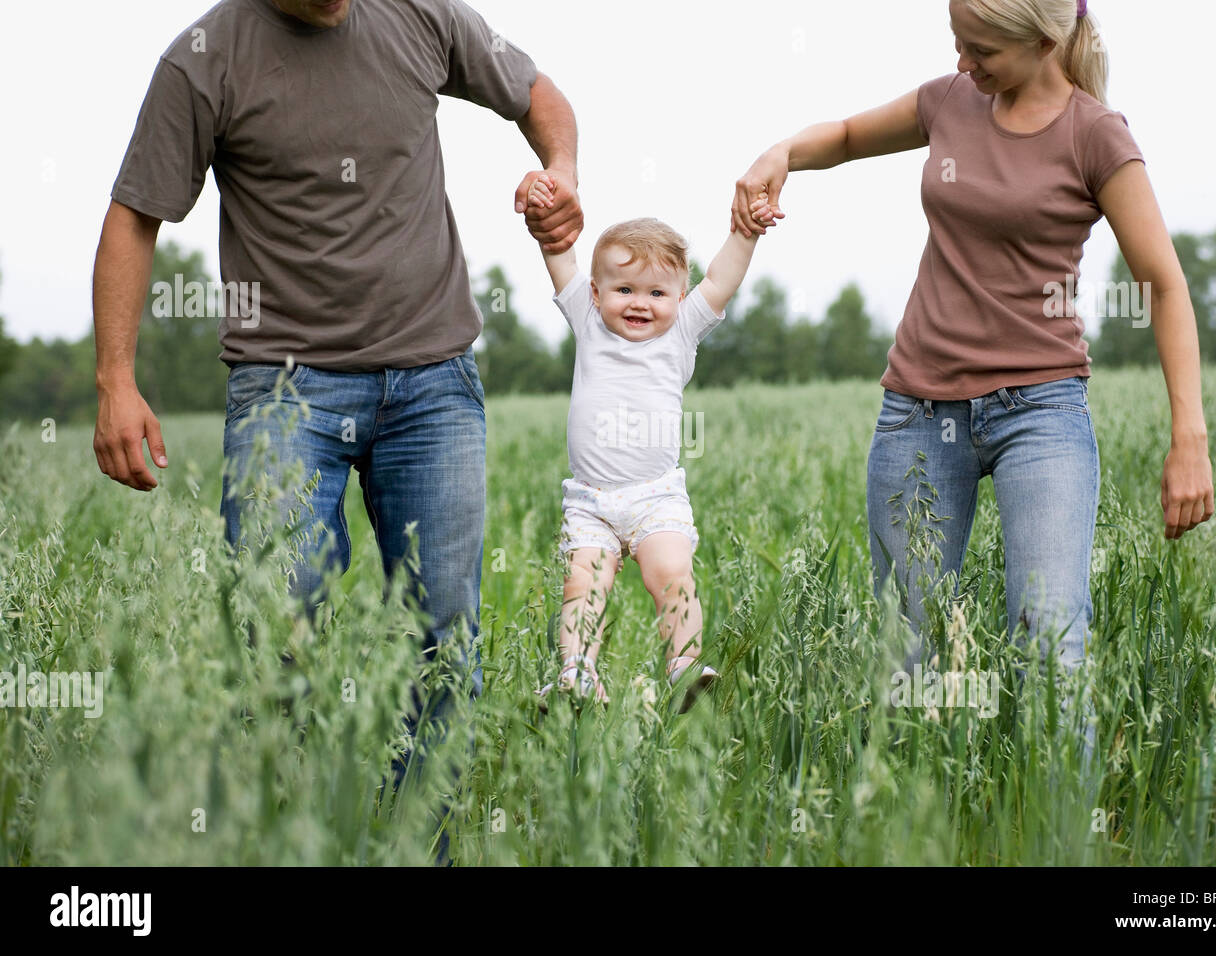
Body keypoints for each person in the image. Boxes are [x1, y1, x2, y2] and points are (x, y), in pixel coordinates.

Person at [90, 0, 584, 842]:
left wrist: (562, 170)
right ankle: (297, 835)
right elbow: (136, 214)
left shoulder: (422, 14)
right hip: (287, 390)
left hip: (434, 383)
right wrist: (115, 380)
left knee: (441, 630)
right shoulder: (202, 58)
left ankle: (415, 844)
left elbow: (537, 93)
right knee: (276, 630)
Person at [732, 0, 1214, 757]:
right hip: (918, 411)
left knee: (1051, 640)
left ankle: (1059, 835)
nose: (963, 63)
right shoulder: (953, 101)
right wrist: (782, 152)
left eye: (981, 48)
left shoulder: (1095, 134)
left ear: (1046, 37)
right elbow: (853, 136)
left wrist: (1190, 437)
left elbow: (1164, 282)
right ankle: (903, 826)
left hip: (1041, 413)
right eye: (957, 43)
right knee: (905, 650)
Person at [525, 176, 769, 712]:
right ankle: (578, 673)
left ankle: (683, 670)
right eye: (624, 289)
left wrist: (746, 232)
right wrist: (543, 216)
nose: (640, 304)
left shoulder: (681, 332)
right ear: (595, 293)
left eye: (657, 293)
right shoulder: (588, 323)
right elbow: (560, 253)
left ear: (680, 298)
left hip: (656, 497)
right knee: (582, 587)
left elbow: (723, 280)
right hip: (590, 500)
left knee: (671, 576)